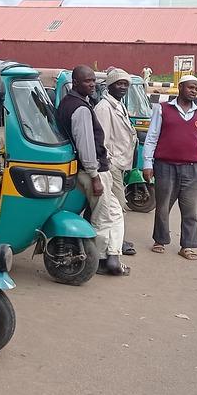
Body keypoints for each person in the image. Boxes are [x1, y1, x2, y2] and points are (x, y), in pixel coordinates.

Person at [55, 64, 128, 276]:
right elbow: (86, 145)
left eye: (94, 80)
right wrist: (95, 175)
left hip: (88, 169)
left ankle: (109, 256)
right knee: (106, 214)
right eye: (88, 81)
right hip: (92, 171)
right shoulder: (80, 109)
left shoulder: (69, 103)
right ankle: (104, 260)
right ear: (75, 82)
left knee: (107, 212)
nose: (92, 84)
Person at [142, 74, 197, 260]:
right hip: (165, 166)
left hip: (193, 169)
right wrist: (147, 163)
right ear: (180, 87)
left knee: (192, 209)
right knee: (162, 207)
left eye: (196, 88)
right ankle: (160, 240)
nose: (194, 91)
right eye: (190, 87)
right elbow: (152, 137)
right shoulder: (163, 110)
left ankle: (188, 246)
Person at [94, 68, 138, 260]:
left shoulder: (117, 105)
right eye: (119, 84)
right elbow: (101, 139)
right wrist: (110, 161)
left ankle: (116, 242)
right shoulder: (104, 108)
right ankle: (114, 246)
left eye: (125, 84)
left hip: (120, 162)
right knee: (116, 206)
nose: (122, 87)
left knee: (114, 206)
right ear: (110, 85)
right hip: (111, 164)